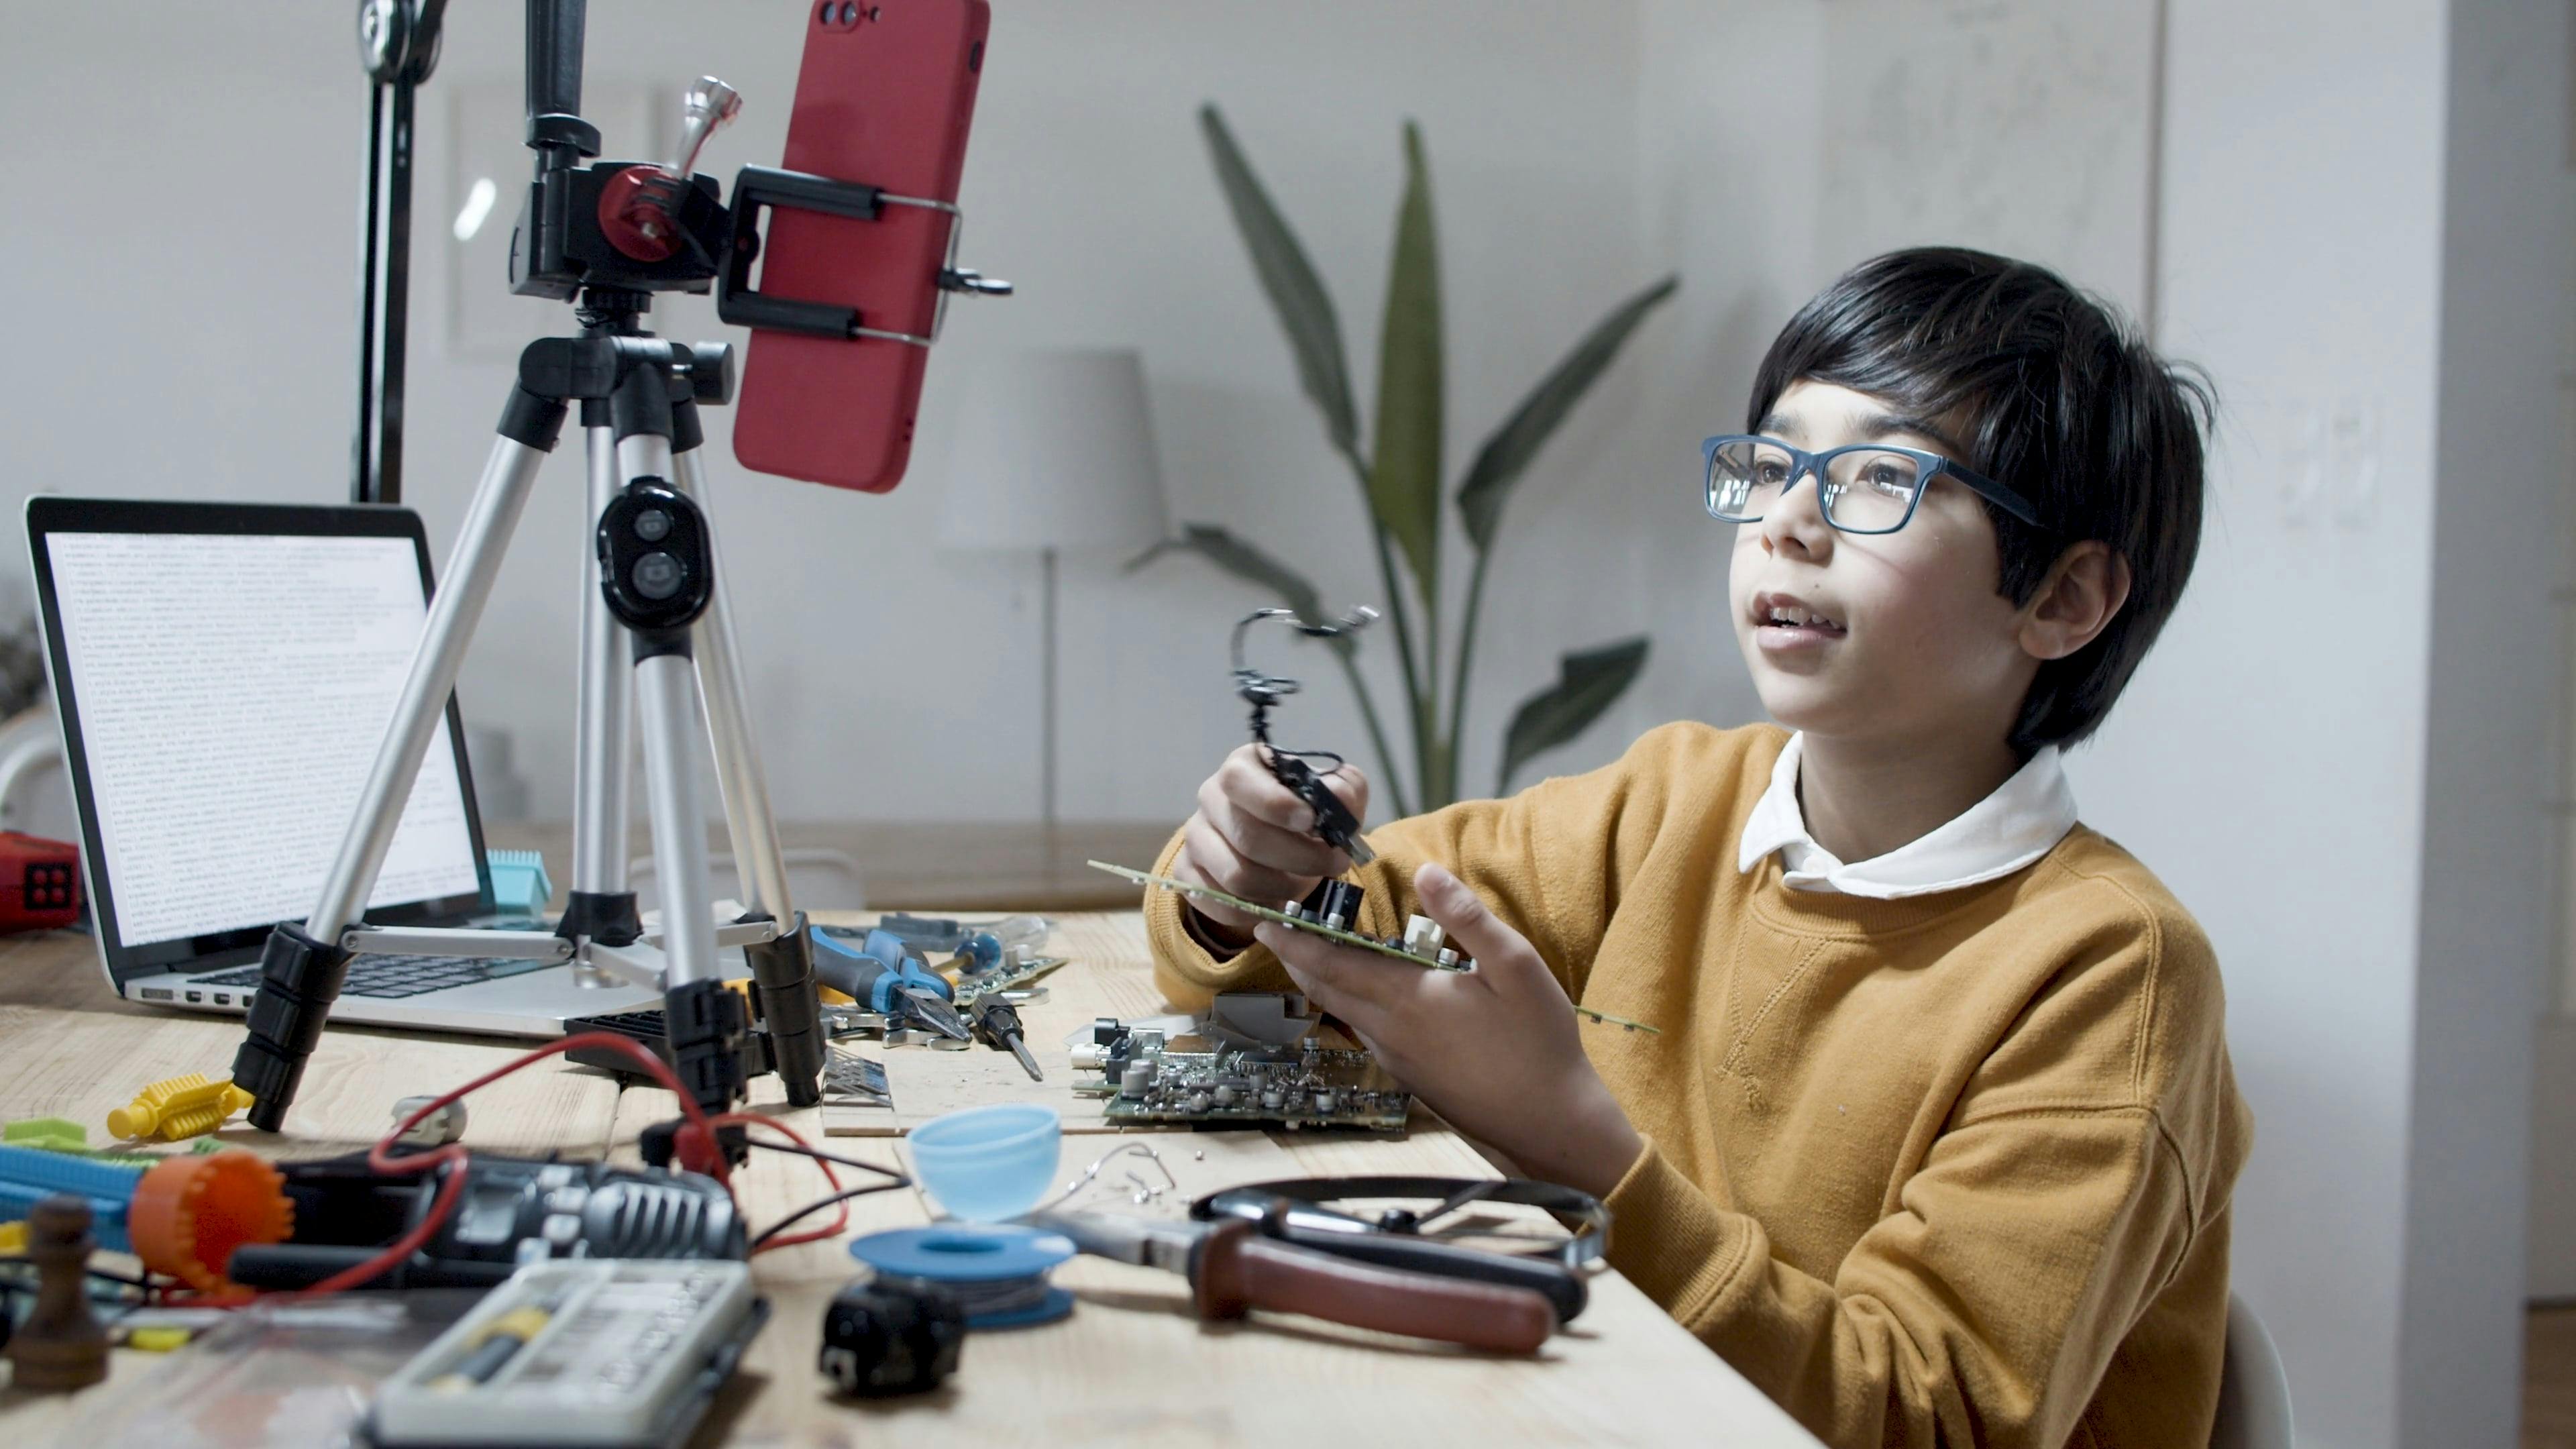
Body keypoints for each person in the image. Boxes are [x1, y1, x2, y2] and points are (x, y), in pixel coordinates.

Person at [1142, 247, 2253, 1448]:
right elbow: (1328, 936)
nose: (1785, 524)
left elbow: (1930, 1422)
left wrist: (1581, 1150)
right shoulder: (1674, 802)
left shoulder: (2110, 973)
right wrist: (1248, 884)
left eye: (1879, 477)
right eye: (1773, 467)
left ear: (2065, 601)